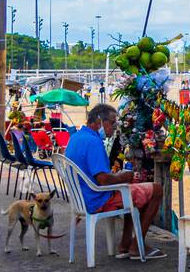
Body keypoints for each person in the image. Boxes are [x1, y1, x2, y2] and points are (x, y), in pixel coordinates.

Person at [65, 103, 165, 260]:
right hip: (98, 199)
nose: (113, 128)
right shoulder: (93, 142)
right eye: (112, 123)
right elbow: (103, 179)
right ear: (99, 121)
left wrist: (121, 178)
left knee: (133, 192)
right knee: (157, 189)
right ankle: (137, 245)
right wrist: (122, 177)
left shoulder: (76, 138)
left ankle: (125, 244)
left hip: (83, 198)